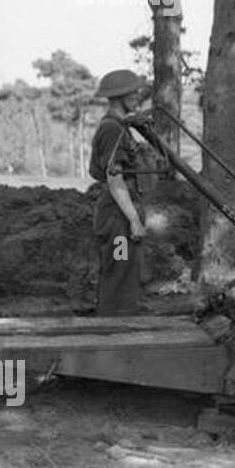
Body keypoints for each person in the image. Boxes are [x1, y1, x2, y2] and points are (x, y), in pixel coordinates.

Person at [89, 69, 149, 315]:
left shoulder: (119, 126)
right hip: (118, 218)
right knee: (119, 265)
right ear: (119, 95)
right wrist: (133, 219)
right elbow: (115, 179)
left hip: (120, 214)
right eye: (133, 92)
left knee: (124, 267)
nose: (138, 95)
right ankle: (113, 325)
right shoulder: (112, 129)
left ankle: (120, 318)